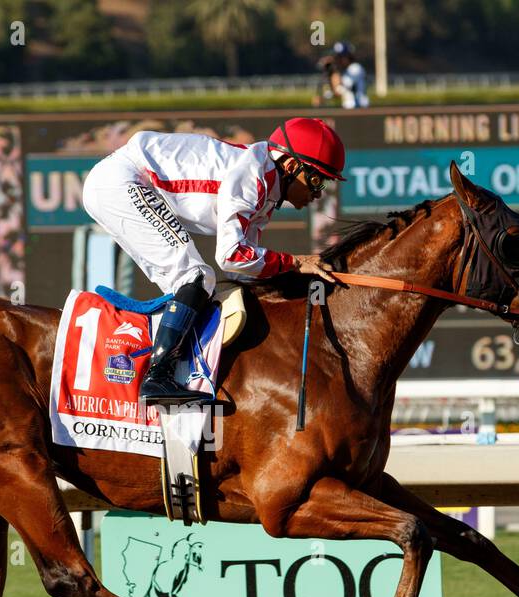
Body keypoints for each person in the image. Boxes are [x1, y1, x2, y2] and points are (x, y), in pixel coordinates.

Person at [81, 118, 345, 406]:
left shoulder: (268, 187)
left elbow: (250, 269)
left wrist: (297, 278)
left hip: (124, 180)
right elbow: (232, 256)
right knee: (195, 278)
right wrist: (295, 263)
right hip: (123, 181)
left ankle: (168, 367)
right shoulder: (253, 176)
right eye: (317, 180)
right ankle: (157, 376)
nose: (318, 194)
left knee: (194, 287)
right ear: (292, 166)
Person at [317, 41, 370, 109]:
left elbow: (340, 88)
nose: (337, 60)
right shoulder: (345, 71)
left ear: (347, 57)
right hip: (351, 109)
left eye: (339, 57)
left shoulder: (356, 68)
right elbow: (337, 91)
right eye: (336, 57)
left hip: (360, 108)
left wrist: (334, 72)